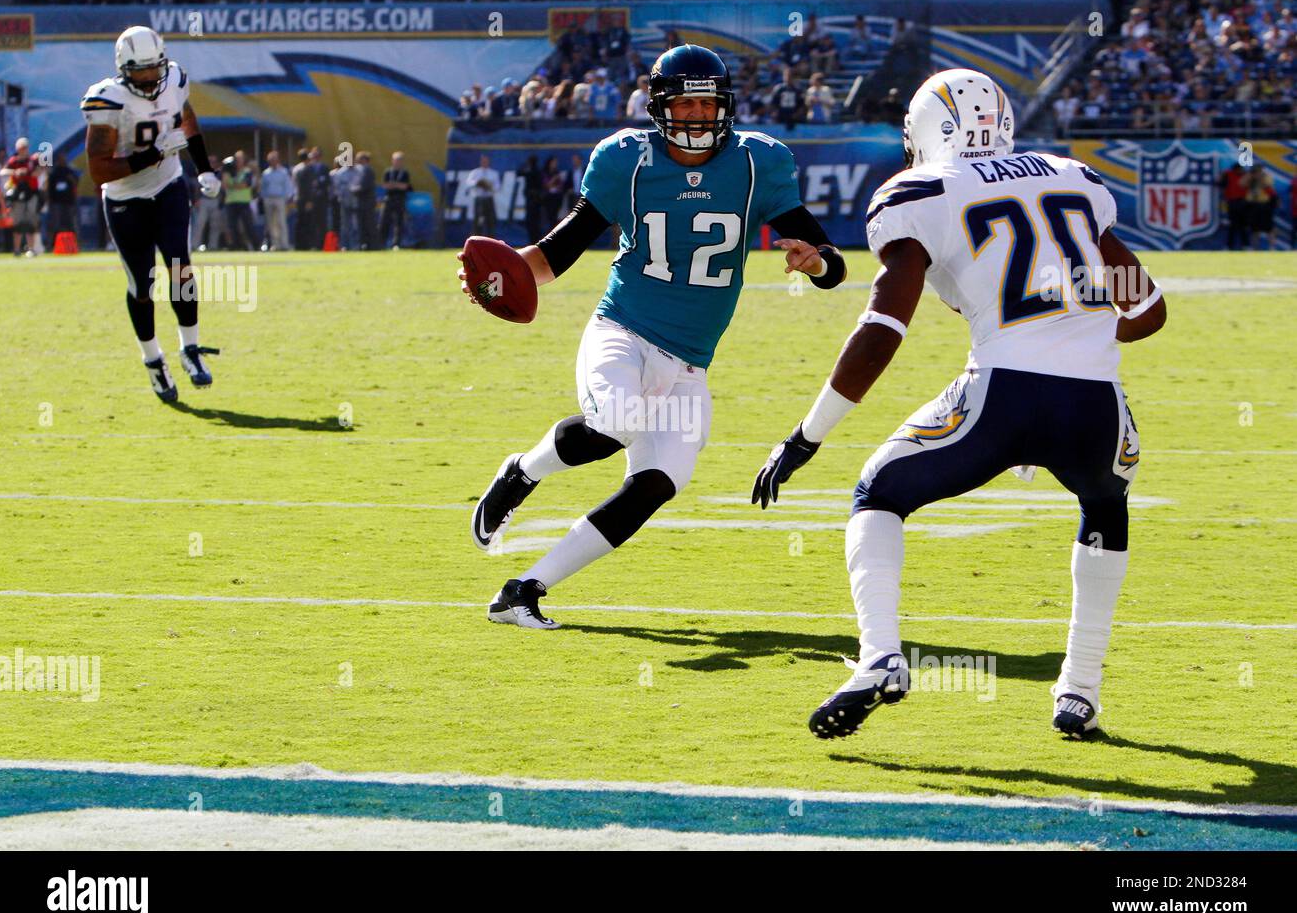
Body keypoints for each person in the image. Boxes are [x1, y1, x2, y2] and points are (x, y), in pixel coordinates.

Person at [750, 69, 1167, 741]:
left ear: (922, 131)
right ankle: (1080, 690)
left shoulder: (919, 192)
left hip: (1001, 392)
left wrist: (807, 436)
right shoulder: (1071, 177)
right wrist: (1074, 339)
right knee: (1104, 506)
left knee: (877, 496)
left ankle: (880, 657)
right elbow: (1146, 309)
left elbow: (884, 326)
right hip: (1097, 408)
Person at [458, 45, 847, 629]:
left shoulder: (757, 164)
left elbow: (834, 266)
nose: (696, 116)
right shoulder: (627, 161)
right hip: (622, 331)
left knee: (662, 480)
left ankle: (525, 589)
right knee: (617, 420)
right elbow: (556, 254)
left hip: (689, 362)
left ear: (726, 107)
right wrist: (501, 277)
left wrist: (814, 263)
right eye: (684, 103)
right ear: (660, 106)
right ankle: (522, 472)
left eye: (706, 103)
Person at [81, 25, 222, 402]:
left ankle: (190, 348)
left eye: (152, 70)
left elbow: (187, 118)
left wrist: (203, 166)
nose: (148, 80)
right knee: (142, 286)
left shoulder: (174, 78)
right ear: (123, 69)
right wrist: (153, 153)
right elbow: (99, 169)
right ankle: (153, 360)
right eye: (139, 72)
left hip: (169, 187)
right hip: (126, 199)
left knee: (181, 265)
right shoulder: (107, 100)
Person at [0, 137, 42, 256]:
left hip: (31, 193)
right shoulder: (14, 161)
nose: (24, 150)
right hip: (17, 195)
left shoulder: (32, 160)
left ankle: (31, 249)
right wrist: (16, 172)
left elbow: (39, 171)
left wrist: (29, 172)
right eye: (21, 148)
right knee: (17, 223)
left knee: (31, 222)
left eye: (25, 148)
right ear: (18, 149)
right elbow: (3, 172)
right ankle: (17, 249)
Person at [258, 149, 293, 250]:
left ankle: (284, 244)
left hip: (280, 199)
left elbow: (288, 186)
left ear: (278, 160)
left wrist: (288, 198)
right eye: (271, 159)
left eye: (274, 159)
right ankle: (275, 244)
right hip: (268, 199)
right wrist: (263, 197)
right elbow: (263, 187)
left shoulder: (283, 172)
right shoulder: (266, 173)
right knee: (271, 223)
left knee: (281, 222)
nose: (273, 161)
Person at [221, 151, 255, 250]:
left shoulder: (247, 171)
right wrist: (227, 176)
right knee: (232, 226)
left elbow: (245, 185)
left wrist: (232, 185)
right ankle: (236, 246)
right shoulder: (229, 171)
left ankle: (255, 245)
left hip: (244, 202)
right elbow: (225, 185)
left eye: (241, 159)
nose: (238, 162)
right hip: (231, 202)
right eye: (237, 160)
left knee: (248, 225)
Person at [462, 153, 500, 238]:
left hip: (488, 199)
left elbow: (497, 187)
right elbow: (468, 183)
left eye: (486, 161)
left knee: (490, 221)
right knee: (478, 221)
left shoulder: (493, 173)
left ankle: (491, 241)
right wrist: (478, 183)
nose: (484, 162)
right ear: (480, 161)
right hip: (479, 199)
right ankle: (476, 240)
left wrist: (489, 186)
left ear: (488, 161)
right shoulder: (475, 172)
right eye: (483, 160)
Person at [379, 151, 412, 249]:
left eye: (399, 160)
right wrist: (396, 185)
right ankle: (381, 243)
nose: (397, 162)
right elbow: (385, 185)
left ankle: (396, 243)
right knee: (384, 221)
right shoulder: (388, 172)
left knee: (399, 222)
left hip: (400, 199)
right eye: (395, 160)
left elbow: (404, 186)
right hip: (389, 199)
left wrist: (393, 185)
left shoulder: (405, 173)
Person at [46, 151, 79, 241]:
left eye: (63, 158)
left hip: (69, 201)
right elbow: (49, 187)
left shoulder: (70, 171)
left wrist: (71, 179)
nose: (62, 160)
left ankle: (74, 242)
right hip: (56, 202)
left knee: (71, 223)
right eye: (60, 158)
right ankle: (53, 243)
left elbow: (76, 183)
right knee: (56, 224)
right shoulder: (54, 172)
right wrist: (49, 200)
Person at [1220, 162, 1251, 249]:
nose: (1240, 171)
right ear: (1235, 169)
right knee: (1232, 226)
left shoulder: (1246, 176)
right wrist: (1222, 176)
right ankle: (1229, 246)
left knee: (1244, 225)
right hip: (1232, 203)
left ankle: (1246, 245)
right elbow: (1220, 184)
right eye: (1238, 169)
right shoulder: (1228, 175)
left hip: (1243, 202)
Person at [1247, 165, 1277, 250]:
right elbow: (1241, 183)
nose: (1255, 174)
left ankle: (1272, 247)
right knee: (1254, 229)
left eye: (1257, 172)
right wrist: (1251, 176)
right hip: (1254, 205)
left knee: (1269, 228)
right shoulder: (1251, 180)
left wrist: (1260, 178)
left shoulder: (1267, 177)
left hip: (1265, 205)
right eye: (1254, 172)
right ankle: (1255, 248)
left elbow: (1268, 185)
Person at [355, 151, 378, 250]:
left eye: (359, 160)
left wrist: (353, 189)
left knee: (369, 224)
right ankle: (366, 244)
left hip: (366, 202)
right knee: (364, 224)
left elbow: (364, 186)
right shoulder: (363, 170)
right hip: (364, 201)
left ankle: (372, 245)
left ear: (364, 160)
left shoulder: (367, 170)